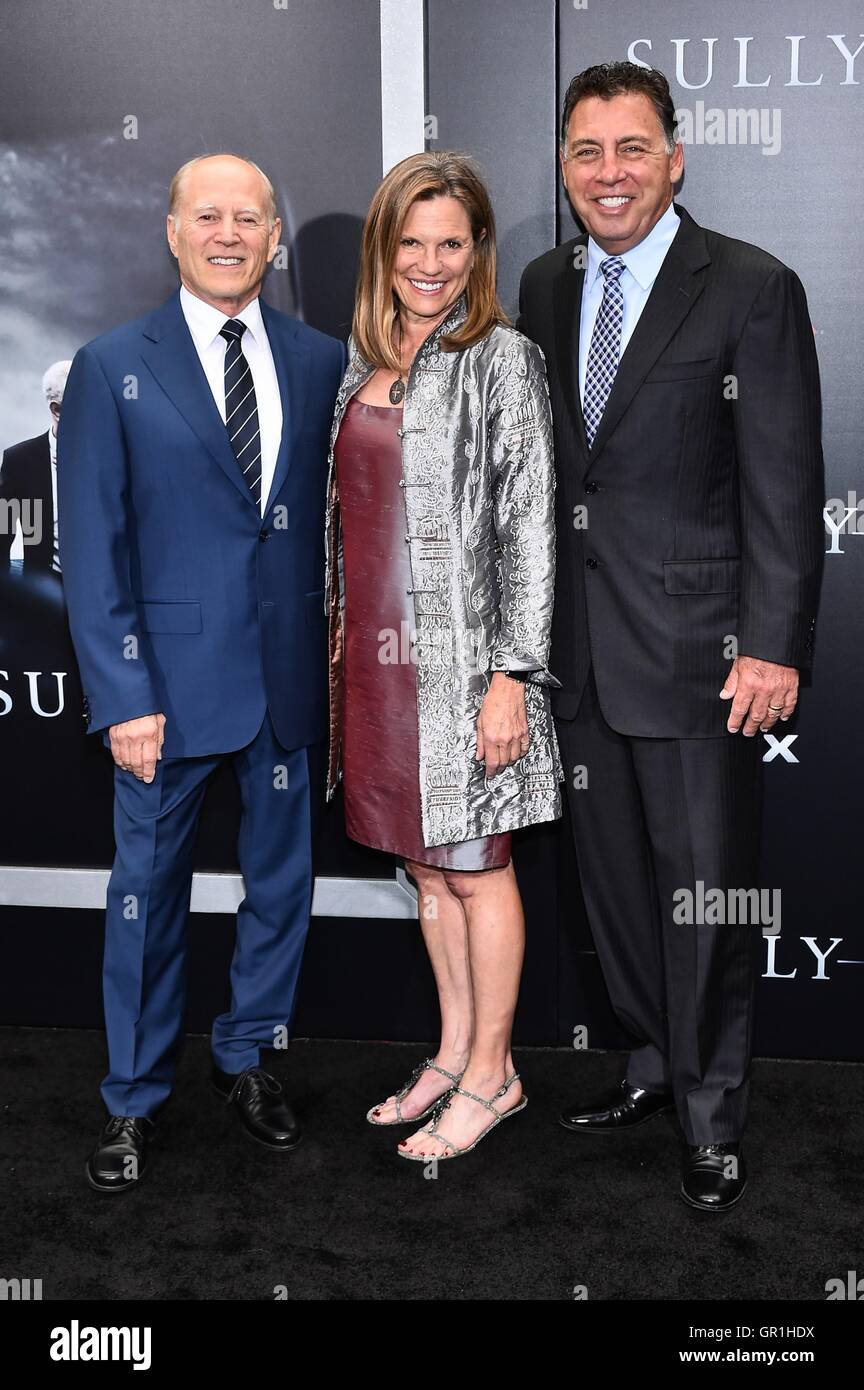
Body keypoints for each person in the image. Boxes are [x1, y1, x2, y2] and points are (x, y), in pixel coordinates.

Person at [518, 63, 824, 1210]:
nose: (609, 173)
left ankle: (712, 1113)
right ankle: (651, 1062)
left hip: (704, 659)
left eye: (632, 149)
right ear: (563, 165)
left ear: (675, 157)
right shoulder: (545, 286)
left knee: (710, 898)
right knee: (614, 897)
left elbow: (785, 483)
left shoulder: (751, 285)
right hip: (582, 660)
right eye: (588, 152)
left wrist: (774, 642)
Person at [58, 154, 345, 1191]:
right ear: (173, 232)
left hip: (282, 682)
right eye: (208, 215)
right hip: (164, 697)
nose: (230, 233)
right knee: (148, 899)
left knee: (279, 892)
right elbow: (93, 546)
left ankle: (249, 1052)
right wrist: (123, 696)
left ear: (276, 238)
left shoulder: (322, 362)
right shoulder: (110, 364)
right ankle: (132, 1096)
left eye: (251, 217)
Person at [325, 151, 562, 1161]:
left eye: (450, 244)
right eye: (410, 242)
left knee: (479, 871)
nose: (429, 263)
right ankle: (453, 1048)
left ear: (477, 254)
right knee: (429, 876)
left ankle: (495, 1072)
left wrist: (511, 674)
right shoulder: (360, 361)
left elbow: (530, 526)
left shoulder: (501, 358)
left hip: (468, 671)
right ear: (385, 251)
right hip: (379, 673)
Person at [0, 360, 71, 574]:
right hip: (44, 598)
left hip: (101, 600)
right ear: (56, 410)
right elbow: (3, 533)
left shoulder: (111, 457)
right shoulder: (20, 462)